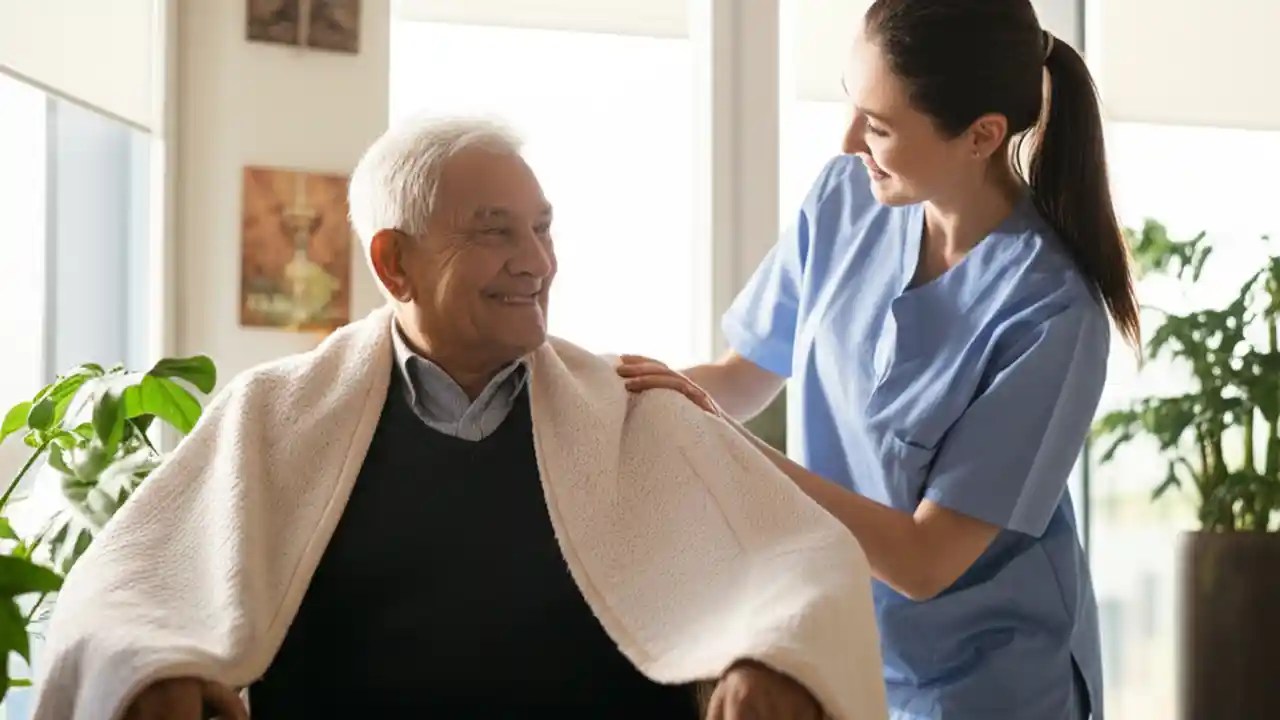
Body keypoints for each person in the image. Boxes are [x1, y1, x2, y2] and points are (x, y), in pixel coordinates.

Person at [33, 117, 842, 720]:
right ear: (394, 262)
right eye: (496, 233)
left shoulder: (636, 410)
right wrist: (151, 665)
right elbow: (122, 588)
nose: (536, 260)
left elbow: (800, 562)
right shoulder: (270, 415)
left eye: (542, 227)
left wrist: (771, 655)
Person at [619, 1, 1134, 718]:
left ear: (981, 136)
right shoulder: (843, 200)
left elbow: (925, 562)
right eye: (851, 104)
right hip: (844, 641)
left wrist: (726, 445)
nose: (848, 138)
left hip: (987, 683)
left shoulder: (1051, 313)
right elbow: (740, 379)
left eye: (880, 126)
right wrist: (628, 399)